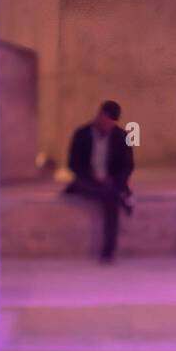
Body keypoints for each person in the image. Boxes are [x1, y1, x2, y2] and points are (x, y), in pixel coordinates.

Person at [63, 100, 134, 263]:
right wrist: (91, 175)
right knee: (112, 196)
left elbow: (128, 166)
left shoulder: (122, 137)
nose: (108, 126)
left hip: (109, 183)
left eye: (112, 123)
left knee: (110, 195)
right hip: (87, 181)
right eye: (106, 121)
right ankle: (121, 198)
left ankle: (109, 250)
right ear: (100, 115)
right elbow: (73, 164)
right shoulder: (81, 134)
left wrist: (114, 180)